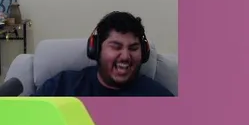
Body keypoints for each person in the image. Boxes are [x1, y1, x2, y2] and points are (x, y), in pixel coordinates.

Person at [33, 12, 174, 97]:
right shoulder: (62, 85)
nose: (125, 56)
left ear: (144, 52)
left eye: (133, 48)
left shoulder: (158, 96)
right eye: (116, 47)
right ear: (96, 49)